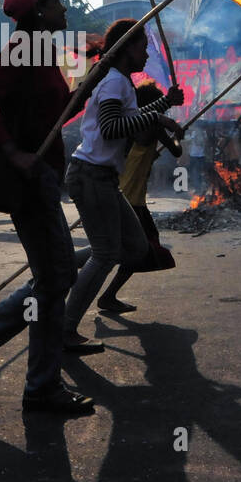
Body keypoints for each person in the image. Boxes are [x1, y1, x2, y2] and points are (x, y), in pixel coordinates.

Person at [0, 0, 96, 415]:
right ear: (37, 10)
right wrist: (11, 152)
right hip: (29, 182)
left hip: (43, 178)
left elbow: (51, 114)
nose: (64, 9)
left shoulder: (42, 51)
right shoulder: (20, 51)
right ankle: (38, 386)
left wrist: (84, 87)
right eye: (56, 1)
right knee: (56, 279)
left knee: (56, 277)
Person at [63, 20, 184, 347]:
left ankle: (61, 264)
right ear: (128, 47)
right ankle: (65, 328)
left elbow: (128, 119)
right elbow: (112, 128)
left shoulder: (121, 83)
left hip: (101, 178)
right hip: (91, 175)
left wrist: (163, 104)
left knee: (135, 247)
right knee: (106, 254)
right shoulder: (114, 82)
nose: (146, 54)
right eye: (143, 46)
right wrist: (159, 115)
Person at [97, 81, 182, 314]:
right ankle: (101, 290)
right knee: (133, 250)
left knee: (134, 250)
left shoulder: (131, 129)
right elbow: (176, 150)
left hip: (131, 198)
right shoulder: (152, 127)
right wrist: (176, 135)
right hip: (131, 200)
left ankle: (107, 294)